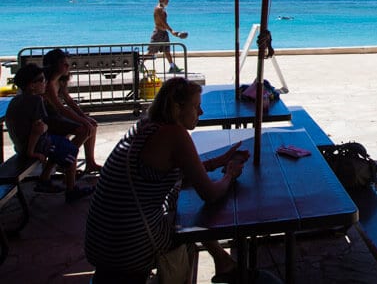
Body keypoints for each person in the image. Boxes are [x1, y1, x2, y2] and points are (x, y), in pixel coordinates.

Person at [85, 77, 246, 283]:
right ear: (177, 108)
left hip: (100, 240)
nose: (201, 113)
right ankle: (221, 263)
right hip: (127, 246)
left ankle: (222, 261)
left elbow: (184, 173)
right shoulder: (174, 134)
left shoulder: (147, 126)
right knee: (188, 221)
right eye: (195, 106)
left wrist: (218, 161)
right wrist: (230, 174)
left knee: (181, 210)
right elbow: (210, 194)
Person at [5, 63, 94, 202]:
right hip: (34, 145)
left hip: (21, 145)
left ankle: (47, 180)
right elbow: (38, 129)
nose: (44, 82)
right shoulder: (36, 100)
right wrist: (32, 152)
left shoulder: (16, 100)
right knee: (70, 150)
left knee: (61, 143)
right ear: (31, 86)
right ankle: (71, 190)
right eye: (41, 80)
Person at [42, 48, 101, 174]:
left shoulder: (60, 81)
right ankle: (64, 159)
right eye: (64, 63)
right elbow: (61, 109)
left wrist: (84, 117)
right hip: (48, 121)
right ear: (54, 65)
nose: (68, 66)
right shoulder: (48, 85)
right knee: (84, 130)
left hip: (56, 118)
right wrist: (83, 121)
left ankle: (90, 163)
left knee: (92, 125)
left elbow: (69, 101)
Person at [147, 0, 183, 73]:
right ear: (161, 0)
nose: (168, 1)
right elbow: (163, 22)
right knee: (151, 51)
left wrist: (169, 31)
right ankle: (140, 64)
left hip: (164, 32)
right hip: (158, 33)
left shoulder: (162, 9)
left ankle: (173, 67)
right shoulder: (158, 9)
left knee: (167, 51)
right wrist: (172, 31)